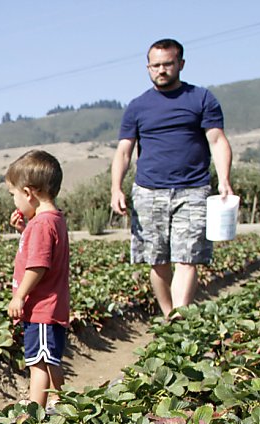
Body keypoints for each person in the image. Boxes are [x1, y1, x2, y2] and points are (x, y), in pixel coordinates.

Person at [110, 38, 233, 318]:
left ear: (181, 64)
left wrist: (224, 179)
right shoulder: (137, 106)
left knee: (187, 257)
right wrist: (116, 187)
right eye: (155, 65)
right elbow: (124, 151)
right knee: (157, 260)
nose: (161, 70)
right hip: (148, 191)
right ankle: (169, 316)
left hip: (193, 189)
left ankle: (180, 315)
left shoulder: (201, 98)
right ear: (148, 67)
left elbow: (217, 141)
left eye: (167, 64)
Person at [5, 150, 70, 410]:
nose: (15, 202)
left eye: (14, 195)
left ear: (29, 192)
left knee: (37, 362)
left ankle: (35, 412)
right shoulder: (51, 220)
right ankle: (59, 399)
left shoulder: (42, 224)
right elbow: (44, 251)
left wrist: (19, 295)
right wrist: (24, 230)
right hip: (53, 306)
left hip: (41, 308)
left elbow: (38, 265)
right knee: (50, 358)